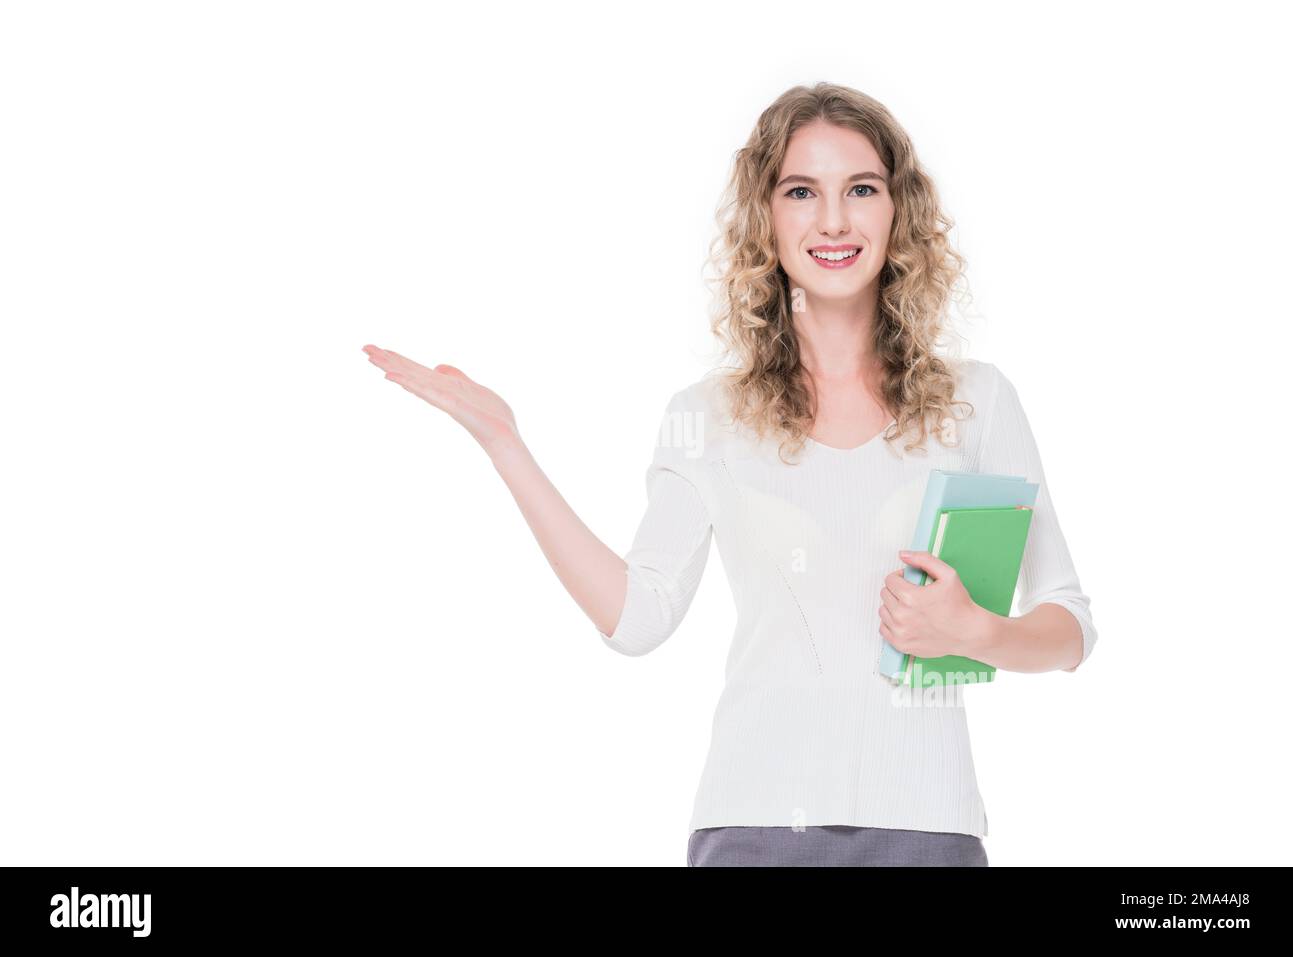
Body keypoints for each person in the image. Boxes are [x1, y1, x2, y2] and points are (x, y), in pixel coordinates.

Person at [362, 81, 1097, 867]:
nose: (834, 220)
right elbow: (637, 616)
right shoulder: (707, 416)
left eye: (861, 189)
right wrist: (504, 442)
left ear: (897, 209)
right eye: (801, 191)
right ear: (767, 217)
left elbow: (1070, 623)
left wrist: (978, 632)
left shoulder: (977, 401)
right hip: (752, 825)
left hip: (929, 827)